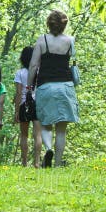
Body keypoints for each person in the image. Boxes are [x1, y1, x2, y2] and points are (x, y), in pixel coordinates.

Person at [28, 10, 79, 167]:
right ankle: (57, 164)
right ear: (64, 24)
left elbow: (34, 65)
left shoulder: (42, 40)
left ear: (49, 23)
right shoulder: (70, 41)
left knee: (45, 124)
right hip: (65, 86)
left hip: (46, 87)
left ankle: (48, 148)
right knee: (61, 129)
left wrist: (30, 87)